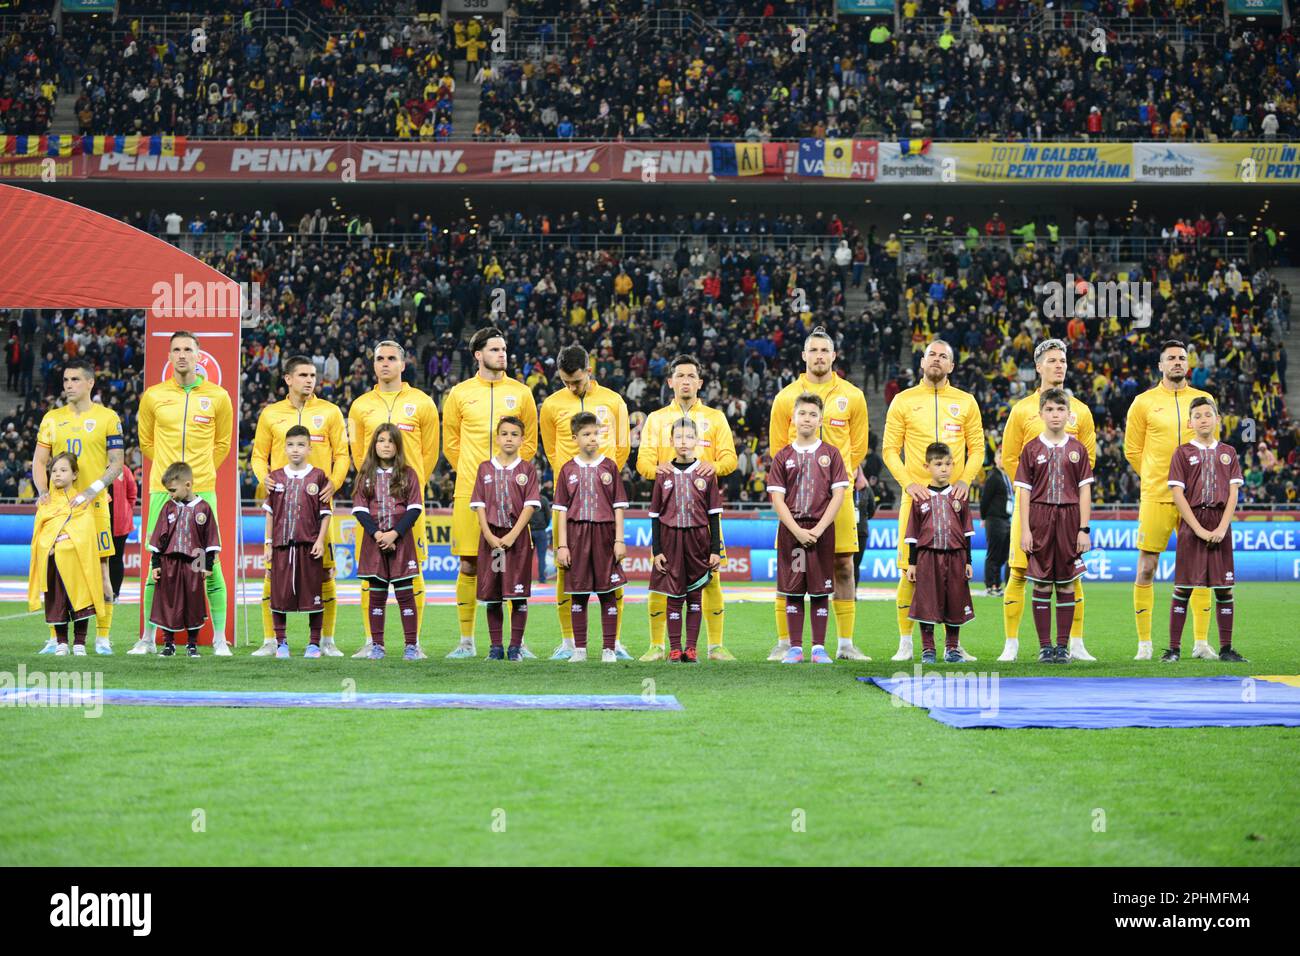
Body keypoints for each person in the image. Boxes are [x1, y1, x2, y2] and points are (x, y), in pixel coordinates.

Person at [766, 328, 871, 662]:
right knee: (789, 566)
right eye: (813, 350)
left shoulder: (852, 396)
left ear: (834, 355)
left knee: (843, 565)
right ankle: (786, 642)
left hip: (837, 495)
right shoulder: (785, 398)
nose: (819, 356)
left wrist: (839, 480)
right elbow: (776, 447)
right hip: (796, 498)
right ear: (803, 355)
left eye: (825, 350)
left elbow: (859, 446)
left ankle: (845, 644)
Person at [129, 333, 233, 656]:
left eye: (188, 349)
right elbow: (146, 442)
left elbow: (223, 444)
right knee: (155, 567)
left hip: (203, 491)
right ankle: (147, 639)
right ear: (169, 356)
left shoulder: (218, 396)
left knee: (209, 566)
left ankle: (219, 640)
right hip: (162, 492)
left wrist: (195, 478)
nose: (182, 355)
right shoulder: (153, 396)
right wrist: (173, 481)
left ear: (199, 356)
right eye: (176, 350)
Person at [883, 339, 985, 662]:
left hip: (953, 502)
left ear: (951, 366)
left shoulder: (966, 402)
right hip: (917, 501)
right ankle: (906, 643)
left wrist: (965, 480)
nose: (937, 360)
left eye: (943, 356)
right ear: (922, 362)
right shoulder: (903, 401)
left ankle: (953, 645)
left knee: (955, 574)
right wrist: (909, 484)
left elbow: (978, 448)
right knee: (909, 570)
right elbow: (888, 450)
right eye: (931, 355)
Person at [998, 339, 1098, 661]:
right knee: (1018, 571)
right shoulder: (1022, 410)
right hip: (1033, 509)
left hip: (1067, 509)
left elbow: (1088, 460)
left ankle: (1076, 643)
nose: (1059, 366)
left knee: (1071, 575)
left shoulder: (1080, 410)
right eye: (1052, 360)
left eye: (1063, 361)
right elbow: (1011, 457)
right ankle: (1011, 644)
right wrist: (1033, 493)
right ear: (1038, 366)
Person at [442, 327, 538, 659]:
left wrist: (507, 482)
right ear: (478, 354)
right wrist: (477, 477)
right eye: (495, 349)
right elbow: (451, 443)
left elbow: (530, 443)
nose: (502, 354)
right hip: (470, 491)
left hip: (513, 496)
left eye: (504, 348)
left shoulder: (522, 393)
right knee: (469, 564)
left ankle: (516, 643)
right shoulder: (459, 393)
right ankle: (467, 642)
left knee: (514, 566)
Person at [635, 354, 737, 661]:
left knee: (711, 577)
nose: (686, 381)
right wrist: (661, 470)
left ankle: (715, 645)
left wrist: (711, 467)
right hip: (668, 516)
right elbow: (642, 464)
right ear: (670, 382)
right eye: (680, 376)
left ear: (700, 382)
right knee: (662, 576)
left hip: (701, 515)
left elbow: (730, 460)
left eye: (691, 376)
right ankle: (657, 646)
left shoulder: (716, 418)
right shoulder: (655, 419)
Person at [1124, 340, 1219, 660]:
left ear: (1188, 364)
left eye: (1182, 358)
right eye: (1171, 358)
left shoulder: (1203, 401)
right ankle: (1144, 645)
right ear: (1160, 366)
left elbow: (1213, 445)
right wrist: (1155, 477)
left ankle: (1201, 642)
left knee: (1201, 570)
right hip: (1157, 497)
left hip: (1198, 501)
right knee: (1147, 568)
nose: (1177, 362)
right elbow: (1132, 450)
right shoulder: (1143, 403)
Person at [250, 355, 349, 657]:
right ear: (288, 379)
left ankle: (325, 640)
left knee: (326, 573)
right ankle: (271, 640)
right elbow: (257, 455)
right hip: (282, 510)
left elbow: (343, 454)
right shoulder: (271, 414)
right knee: (272, 573)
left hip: (317, 511)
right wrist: (263, 478)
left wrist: (336, 481)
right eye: (303, 375)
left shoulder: (330, 412)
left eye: (312, 375)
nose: (309, 380)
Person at [538, 344, 631, 660]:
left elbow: (622, 447)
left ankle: (613, 642)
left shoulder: (613, 401)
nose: (571, 387)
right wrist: (571, 477)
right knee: (566, 569)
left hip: (604, 503)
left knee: (611, 569)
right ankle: (569, 642)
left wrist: (603, 479)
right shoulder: (551, 405)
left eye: (575, 381)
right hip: (569, 501)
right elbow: (552, 450)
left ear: (589, 370)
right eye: (565, 381)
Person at [348, 341, 440, 659]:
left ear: (403, 363)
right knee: (370, 573)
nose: (385, 363)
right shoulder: (360, 406)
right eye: (379, 359)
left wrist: (408, 487)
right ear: (373, 365)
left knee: (414, 572)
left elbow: (430, 452)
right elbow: (359, 453)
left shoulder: (423, 403)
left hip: (408, 503)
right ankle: (371, 641)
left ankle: (413, 643)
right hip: (373, 503)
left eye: (391, 358)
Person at [33, 360, 124, 655]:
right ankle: (54, 637)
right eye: (65, 379)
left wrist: (90, 491)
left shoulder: (108, 417)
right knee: (52, 569)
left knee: (101, 572)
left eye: (74, 379)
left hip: (94, 506)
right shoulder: (51, 418)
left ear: (89, 383)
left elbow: (116, 463)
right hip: (58, 509)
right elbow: (39, 461)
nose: (68, 384)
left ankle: (102, 637)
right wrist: (43, 491)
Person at [767, 393, 849, 664]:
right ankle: (794, 648)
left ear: (820, 420)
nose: (807, 419)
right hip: (793, 534)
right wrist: (797, 531)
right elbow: (777, 499)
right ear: (794, 418)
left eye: (813, 414)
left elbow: (838, 495)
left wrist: (820, 528)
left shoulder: (831, 454)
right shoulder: (783, 456)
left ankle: (818, 648)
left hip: (821, 533)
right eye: (803, 413)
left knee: (820, 590)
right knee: (793, 590)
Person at [1164, 397, 1247, 663]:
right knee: (1184, 587)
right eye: (1197, 416)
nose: (1202, 419)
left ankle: (1226, 649)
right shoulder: (1182, 453)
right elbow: (1178, 494)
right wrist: (1198, 529)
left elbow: (1233, 494)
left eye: (1207, 415)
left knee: (1224, 588)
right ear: (1190, 422)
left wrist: (1222, 527)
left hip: (1221, 522)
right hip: (1192, 524)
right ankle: (1173, 649)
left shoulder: (1229, 453)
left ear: (1217, 419)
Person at [1014, 390, 1094, 664]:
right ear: (1041, 414)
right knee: (1042, 585)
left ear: (1069, 414)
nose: (1055, 414)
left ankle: (1063, 647)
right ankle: (1045, 647)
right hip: (1040, 518)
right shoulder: (1031, 449)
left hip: (1070, 520)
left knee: (1067, 586)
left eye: (1060, 409)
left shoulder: (1078, 449)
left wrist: (1084, 529)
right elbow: (1024, 492)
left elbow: (1085, 491)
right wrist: (1025, 529)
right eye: (1049, 410)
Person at [553, 411, 628, 663]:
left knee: (608, 593)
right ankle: (580, 649)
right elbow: (561, 512)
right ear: (575, 437)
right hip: (576, 535)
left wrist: (619, 539)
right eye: (586, 434)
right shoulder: (567, 469)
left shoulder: (609, 467)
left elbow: (618, 506)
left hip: (605, 535)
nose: (592, 438)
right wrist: (562, 545)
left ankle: (608, 648)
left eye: (596, 433)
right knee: (579, 594)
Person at [649, 417, 723, 663]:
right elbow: (655, 516)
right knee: (674, 597)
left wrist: (715, 550)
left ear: (697, 441)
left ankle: (691, 649)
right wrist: (656, 550)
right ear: (671, 441)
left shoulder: (706, 472)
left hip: (698, 540)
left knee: (694, 596)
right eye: (678, 437)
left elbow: (713, 515)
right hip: (670, 542)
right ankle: (674, 648)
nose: (683, 442)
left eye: (689, 437)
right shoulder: (663, 473)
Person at [350, 424, 425, 661]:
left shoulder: (408, 473)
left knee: (405, 595)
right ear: (374, 445)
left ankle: (411, 646)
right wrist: (377, 535)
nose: (385, 445)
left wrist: (394, 534)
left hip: (401, 542)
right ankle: (378, 646)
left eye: (391, 441)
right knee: (376, 596)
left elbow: (414, 509)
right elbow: (360, 510)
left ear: (398, 446)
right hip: (374, 544)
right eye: (381, 440)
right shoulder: (365, 474)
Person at [470, 416, 541, 661]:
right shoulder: (485, 468)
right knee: (493, 595)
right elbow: (478, 505)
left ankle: (515, 647)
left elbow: (530, 506)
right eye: (504, 434)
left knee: (517, 594)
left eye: (514, 434)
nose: (509, 438)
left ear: (522, 439)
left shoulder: (527, 469)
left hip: (517, 540)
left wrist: (512, 535)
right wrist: (489, 535)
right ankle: (496, 647)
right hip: (491, 541)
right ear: (497, 438)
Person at [262, 426, 333, 659]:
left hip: (309, 546)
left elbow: (326, 513)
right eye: (291, 444)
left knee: (313, 594)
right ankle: (281, 643)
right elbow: (270, 513)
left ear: (310, 449)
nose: (295, 449)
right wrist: (268, 543)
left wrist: (321, 541)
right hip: (282, 546)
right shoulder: (276, 477)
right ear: (284, 448)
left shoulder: (319, 476)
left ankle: (314, 644)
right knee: (279, 595)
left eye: (301, 445)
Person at [28, 452, 106, 656]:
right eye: (53, 471)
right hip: (53, 561)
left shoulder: (82, 501)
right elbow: (40, 534)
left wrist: (67, 543)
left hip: (77, 561)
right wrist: (48, 546)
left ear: (74, 474)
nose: (57, 475)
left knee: (81, 600)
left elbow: (85, 532)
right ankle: (61, 642)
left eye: (63, 470)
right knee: (56, 601)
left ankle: (80, 642)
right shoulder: (45, 503)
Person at [904, 442, 976, 665]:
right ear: (928, 466)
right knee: (927, 602)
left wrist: (968, 561)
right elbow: (913, 535)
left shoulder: (959, 497)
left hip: (956, 557)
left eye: (948, 464)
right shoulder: (920, 498)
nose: (944, 468)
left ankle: (952, 648)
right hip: (927, 557)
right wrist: (912, 563)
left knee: (955, 601)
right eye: (938, 464)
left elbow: (967, 532)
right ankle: (928, 649)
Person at [147, 462, 220, 658]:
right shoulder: (168, 508)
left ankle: (192, 644)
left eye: (172, 490)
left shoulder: (204, 508)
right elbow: (159, 538)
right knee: (168, 603)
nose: (170, 494)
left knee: (193, 604)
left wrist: (207, 564)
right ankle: (168, 644)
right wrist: (156, 564)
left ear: (187, 485)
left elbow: (209, 539)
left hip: (194, 563)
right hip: (169, 563)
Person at [980, 449, 1012, 597]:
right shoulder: (993, 476)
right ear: (996, 459)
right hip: (995, 519)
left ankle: (997, 585)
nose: (1003, 460)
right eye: (1001, 457)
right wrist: (983, 517)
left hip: (1006, 519)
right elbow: (985, 498)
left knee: (1003, 555)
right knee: (993, 554)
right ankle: (990, 585)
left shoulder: (1007, 476)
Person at [108, 466, 137, 601]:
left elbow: (132, 494)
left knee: (116, 558)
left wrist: (126, 513)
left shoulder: (123, 470)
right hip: (98, 523)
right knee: (95, 560)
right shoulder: (95, 467)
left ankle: (115, 593)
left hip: (120, 524)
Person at [529, 489, 551, 584]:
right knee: (542, 556)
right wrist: (544, 525)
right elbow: (548, 516)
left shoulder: (527, 499)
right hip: (541, 531)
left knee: (526, 558)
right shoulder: (543, 499)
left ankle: (525, 578)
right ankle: (542, 579)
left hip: (529, 531)